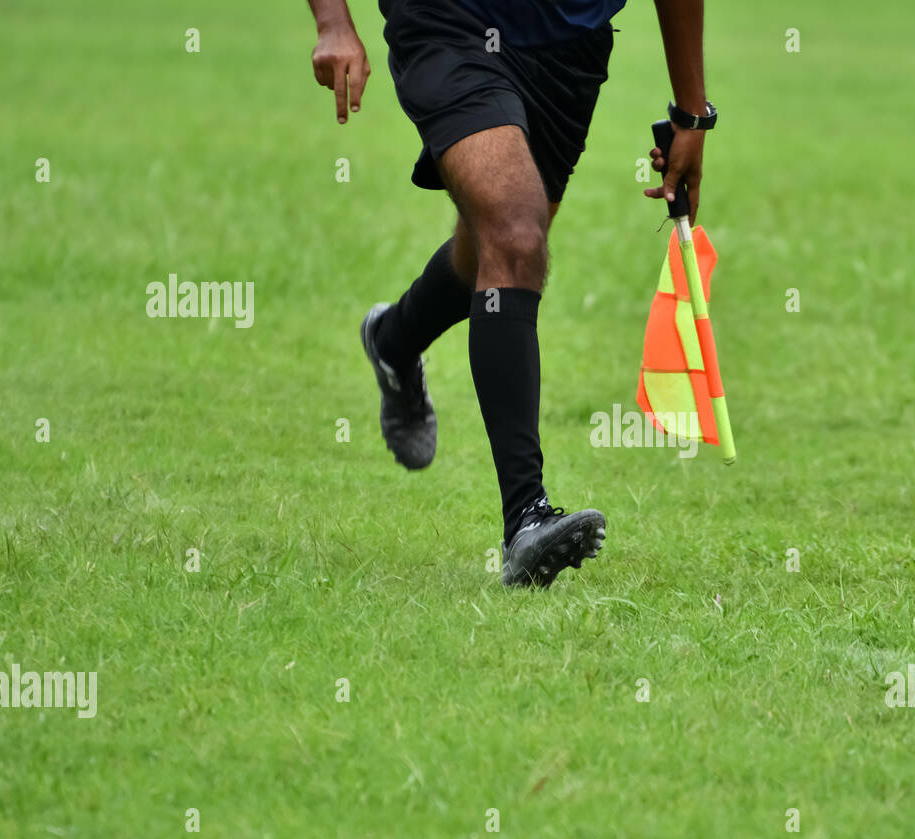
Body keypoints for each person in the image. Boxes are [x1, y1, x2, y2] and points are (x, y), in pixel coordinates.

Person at [305, 0, 715, 586]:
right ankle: (526, 518)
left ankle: (394, 339)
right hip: (449, 19)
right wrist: (333, 21)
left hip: (568, 42)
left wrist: (692, 114)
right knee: (517, 238)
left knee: (490, 253)